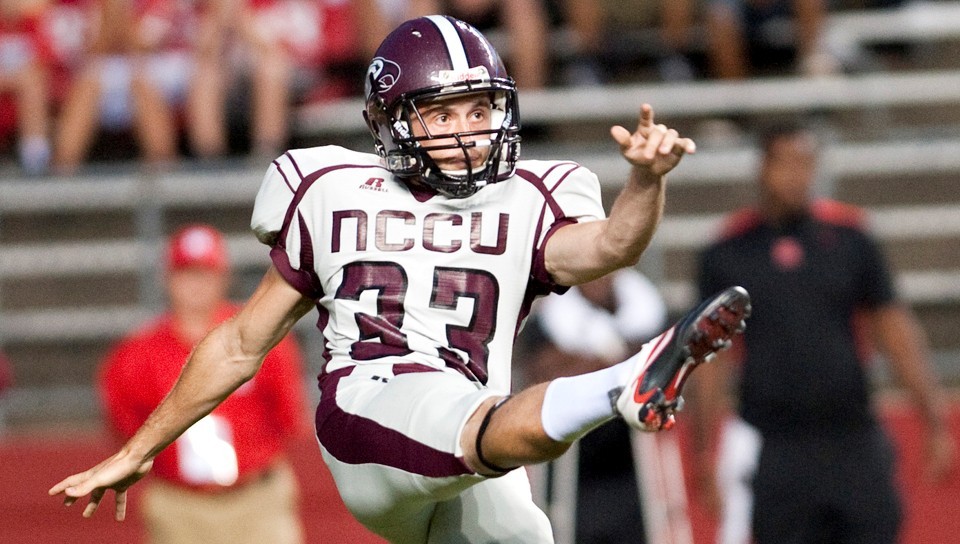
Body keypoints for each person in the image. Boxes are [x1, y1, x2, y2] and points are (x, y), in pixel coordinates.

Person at [50, 16, 752, 543]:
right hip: (368, 411)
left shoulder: (528, 196)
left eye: (479, 110)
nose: (467, 131)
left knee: (526, 533)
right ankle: (622, 383)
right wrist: (139, 449)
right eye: (441, 113)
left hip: (474, 428)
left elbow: (609, 247)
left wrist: (645, 181)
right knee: (492, 427)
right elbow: (240, 345)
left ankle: (617, 386)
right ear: (388, 123)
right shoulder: (328, 187)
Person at [690, 122, 956, 544]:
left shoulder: (850, 238)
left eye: (806, 164)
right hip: (776, 444)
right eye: (786, 164)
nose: (797, 176)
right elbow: (711, 359)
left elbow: (896, 334)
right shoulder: (729, 252)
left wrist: (934, 421)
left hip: (853, 435)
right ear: (763, 168)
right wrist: (703, 452)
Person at [97, 223, 309, 544]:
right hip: (179, 505)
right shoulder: (136, 355)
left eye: (204, 274)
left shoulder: (265, 338)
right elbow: (125, 429)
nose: (195, 286)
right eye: (186, 274)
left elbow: (289, 418)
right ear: (167, 279)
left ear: (223, 277)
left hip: (257, 499)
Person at [518, 269, 689, 543]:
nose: (599, 280)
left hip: (632, 467)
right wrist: (617, 361)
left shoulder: (645, 309)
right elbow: (542, 373)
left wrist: (594, 361)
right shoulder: (553, 318)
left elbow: (666, 370)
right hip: (575, 468)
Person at [0, 0, 54, 175]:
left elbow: (44, 67)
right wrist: (16, 80)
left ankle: (35, 166)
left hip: (22, 105)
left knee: (32, 85)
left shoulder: (32, 25)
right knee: (28, 81)